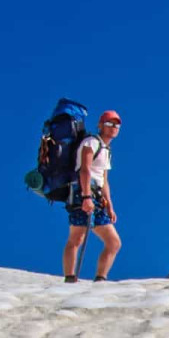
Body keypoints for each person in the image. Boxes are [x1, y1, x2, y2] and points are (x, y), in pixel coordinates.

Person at [64, 110, 122, 282]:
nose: (113, 128)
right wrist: (86, 197)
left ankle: (100, 280)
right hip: (83, 193)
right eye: (109, 124)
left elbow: (104, 179)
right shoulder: (91, 142)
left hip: (96, 197)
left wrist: (109, 205)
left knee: (113, 243)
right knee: (77, 237)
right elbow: (85, 169)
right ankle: (70, 278)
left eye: (117, 125)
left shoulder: (106, 149)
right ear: (100, 125)